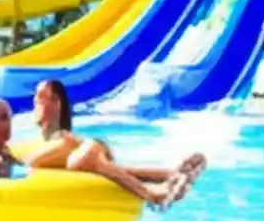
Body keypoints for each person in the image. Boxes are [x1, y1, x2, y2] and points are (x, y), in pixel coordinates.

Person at [22, 79, 206, 209]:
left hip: (89, 150)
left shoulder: (62, 138)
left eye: (40, 97)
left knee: (77, 162)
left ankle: (152, 194)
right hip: (90, 152)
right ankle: (170, 175)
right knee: (103, 167)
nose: (34, 102)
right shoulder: (45, 141)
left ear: (56, 103)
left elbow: (40, 159)